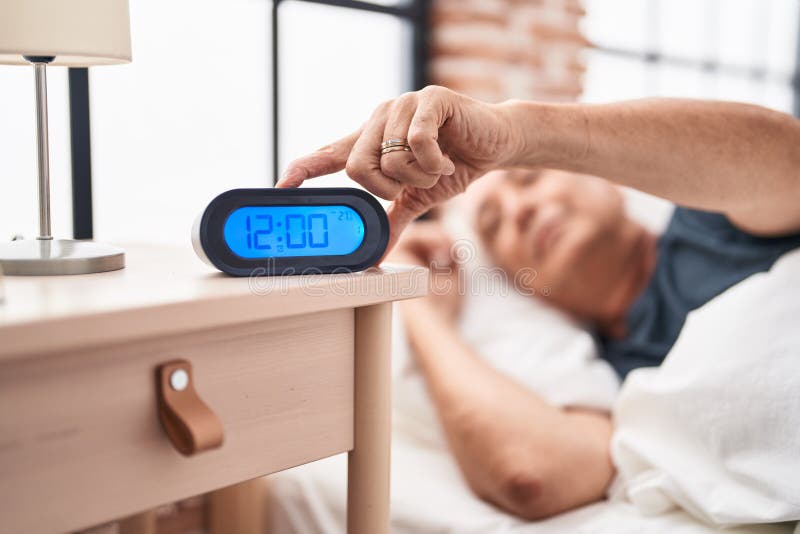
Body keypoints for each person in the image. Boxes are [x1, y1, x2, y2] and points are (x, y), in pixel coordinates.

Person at [277, 88, 800, 519]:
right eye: (494, 225)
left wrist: (518, 135)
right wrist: (416, 302)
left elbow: (789, 161)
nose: (520, 211)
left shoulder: (719, 218)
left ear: (613, 184)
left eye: (529, 179)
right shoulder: (607, 373)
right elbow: (533, 476)